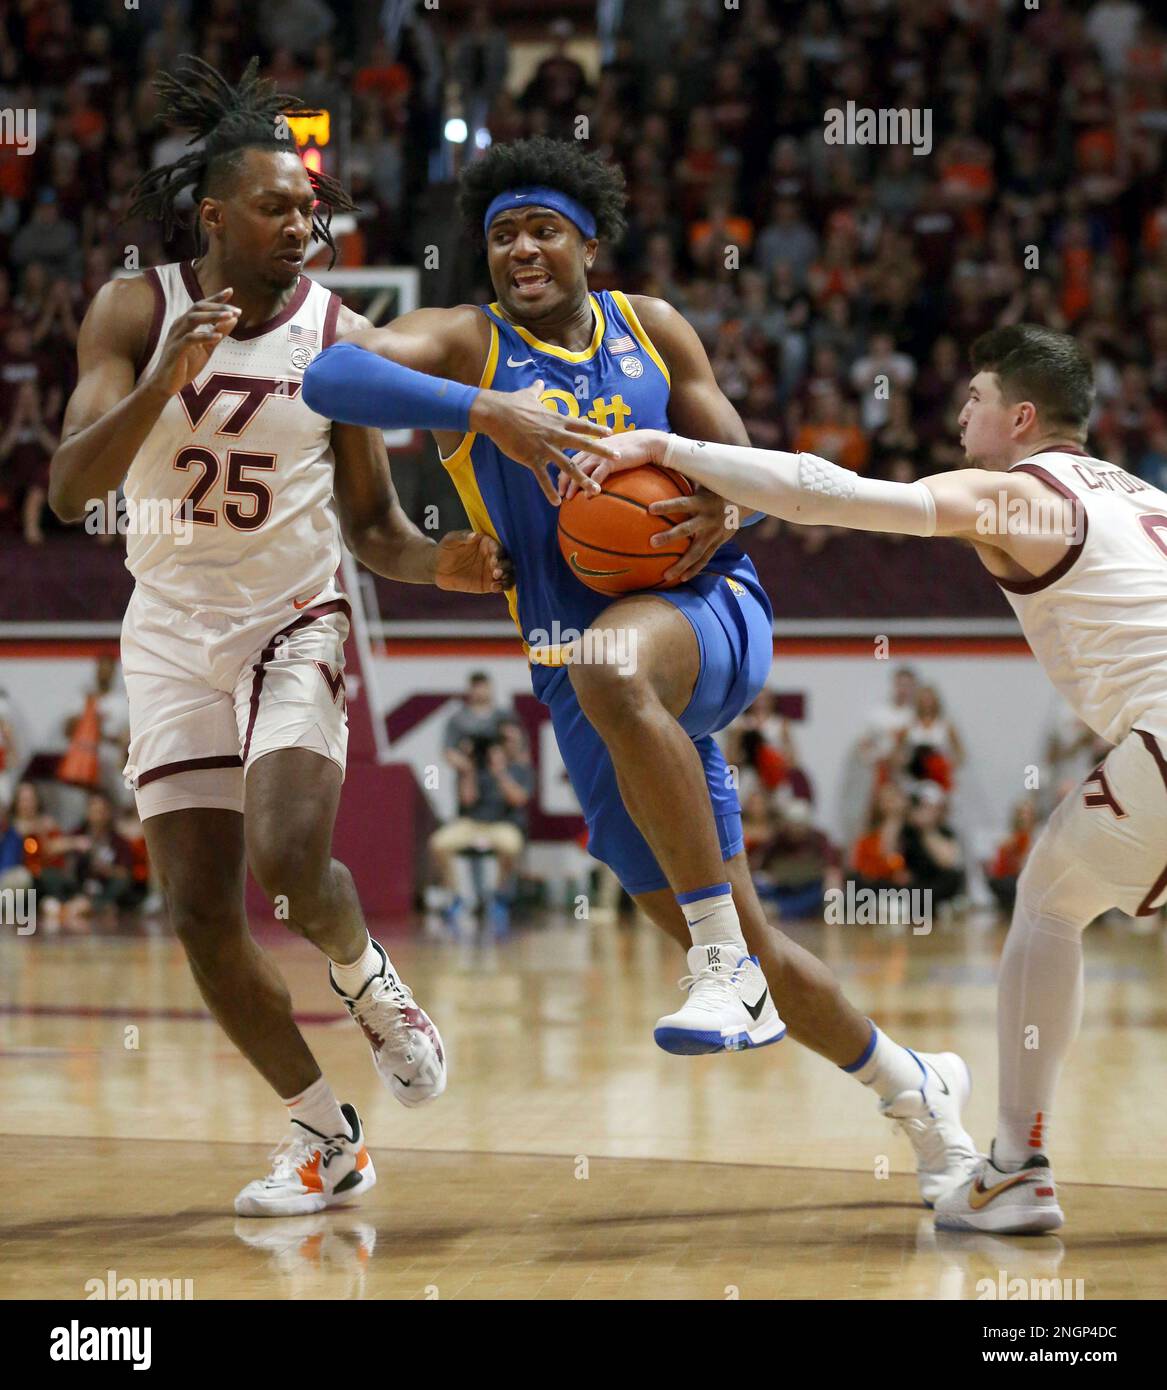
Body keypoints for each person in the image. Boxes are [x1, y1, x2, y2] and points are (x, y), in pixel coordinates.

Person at [302, 134, 979, 1206]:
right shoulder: (467, 344)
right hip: (582, 681)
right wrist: (488, 418)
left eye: (542, 228)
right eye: (501, 233)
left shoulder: (652, 326)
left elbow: (758, 474)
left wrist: (734, 504)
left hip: (707, 609)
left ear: (588, 241)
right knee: (759, 939)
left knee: (624, 679)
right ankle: (919, 1091)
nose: (520, 248)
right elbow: (332, 375)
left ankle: (718, 965)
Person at [47, 55, 514, 1218]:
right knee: (199, 916)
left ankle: (370, 982)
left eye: (312, 204)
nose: (306, 220)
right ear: (214, 215)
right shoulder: (132, 309)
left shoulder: (341, 336)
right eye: (279, 204)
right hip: (167, 629)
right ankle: (324, 1134)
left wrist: (441, 559)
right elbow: (66, 490)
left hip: (293, 617)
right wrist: (166, 380)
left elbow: (373, 526)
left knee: (289, 864)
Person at [576, 321, 1167, 1234]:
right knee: (1060, 891)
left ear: (1018, 416)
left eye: (971, 400)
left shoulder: (1016, 495)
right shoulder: (1137, 493)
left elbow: (835, 495)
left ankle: (1014, 1168)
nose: (957, 413)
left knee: (1049, 903)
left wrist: (667, 447)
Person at [429, 717, 532, 935]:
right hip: (471, 823)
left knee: (511, 845)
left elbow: (518, 799)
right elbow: (467, 800)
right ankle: (455, 896)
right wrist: (470, 769)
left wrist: (500, 772)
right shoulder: (473, 767)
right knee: (439, 843)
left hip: (501, 824)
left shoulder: (518, 768)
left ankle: (498, 895)